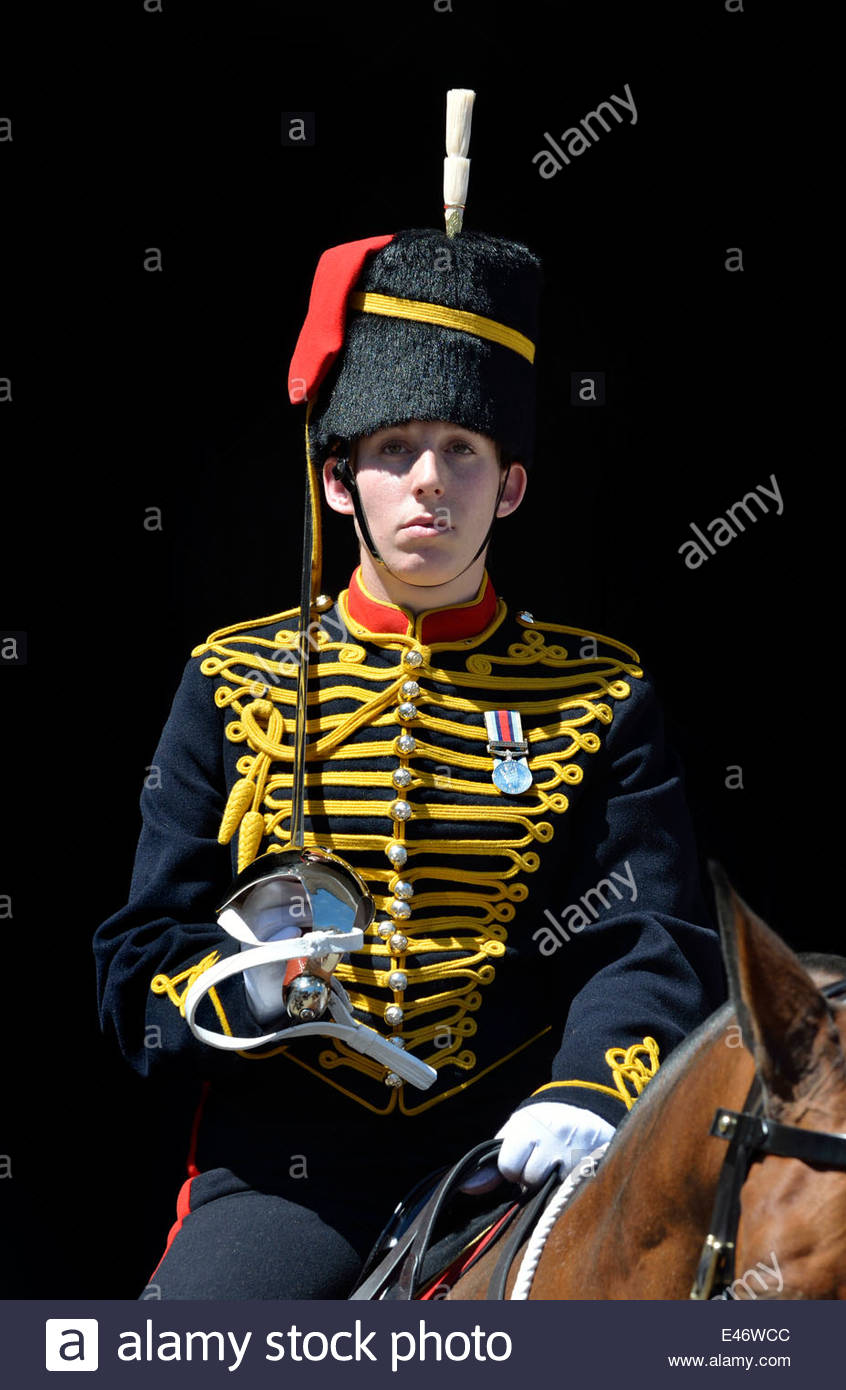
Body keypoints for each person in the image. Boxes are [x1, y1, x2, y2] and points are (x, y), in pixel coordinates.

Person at [93, 225, 725, 1299]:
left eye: (464, 452)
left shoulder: (599, 693)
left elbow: (649, 932)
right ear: (340, 481)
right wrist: (235, 993)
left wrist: (591, 1093)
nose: (430, 482)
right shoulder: (232, 677)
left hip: (519, 1151)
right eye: (394, 450)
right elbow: (139, 953)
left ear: (512, 486)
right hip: (292, 1172)